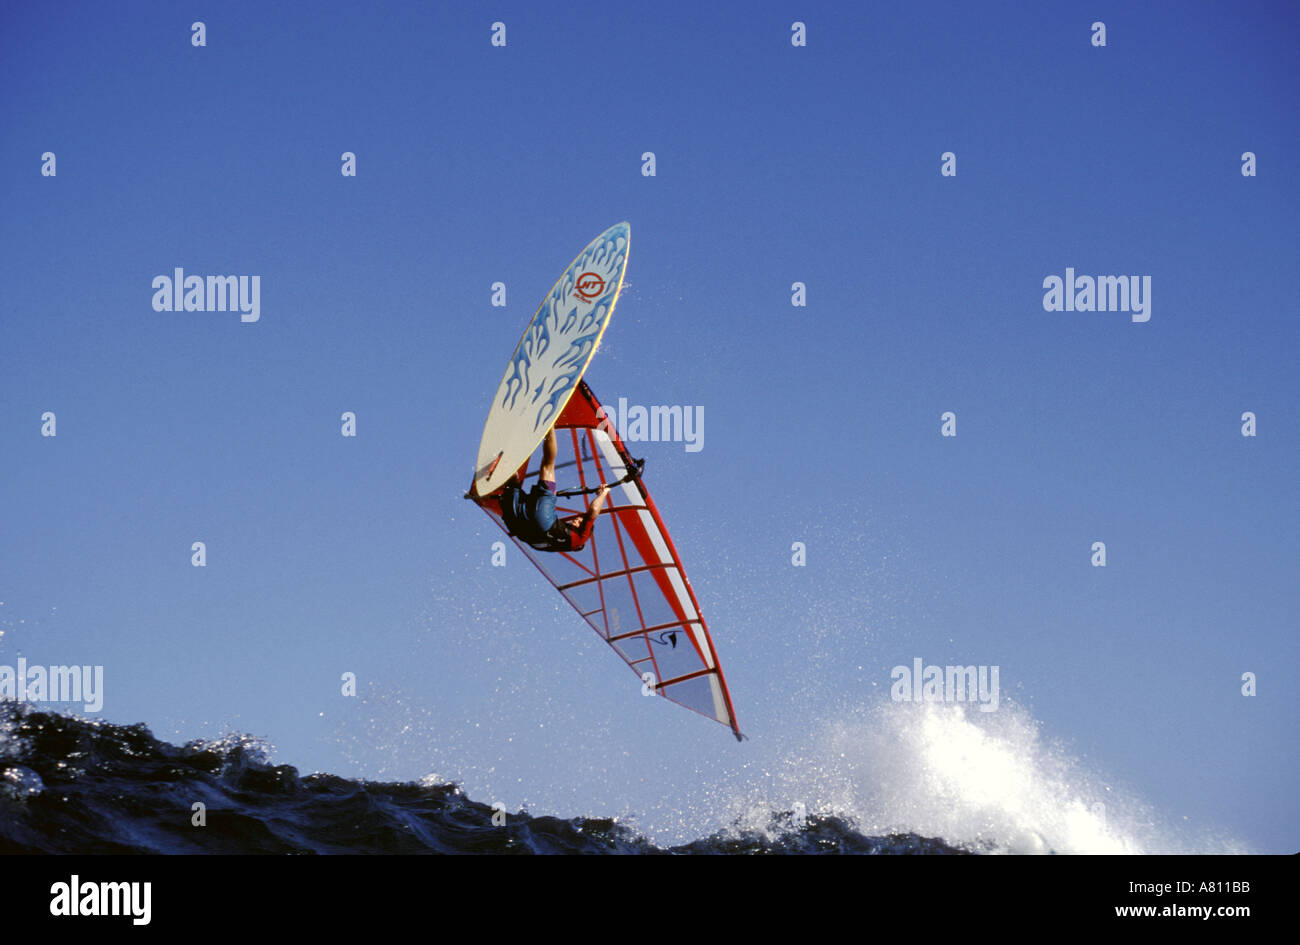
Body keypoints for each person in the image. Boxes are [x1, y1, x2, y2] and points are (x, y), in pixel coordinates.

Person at [499, 428, 611, 552]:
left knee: (548, 466)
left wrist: (603, 493)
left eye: (580, 521)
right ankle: (498, 459)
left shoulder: (581, 538)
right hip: (520, 528)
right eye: (579, 519)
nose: (577, 519)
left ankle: (549, 427)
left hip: (542, 520)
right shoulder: (565, 542)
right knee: (512, 482)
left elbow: (594, 510)